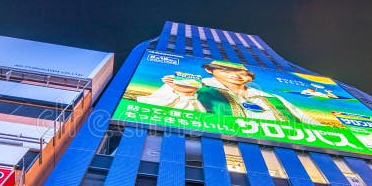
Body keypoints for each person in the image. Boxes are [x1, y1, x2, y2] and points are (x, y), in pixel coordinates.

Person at [137, 60, 319, 124]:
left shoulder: (272, 97)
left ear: (250, 76)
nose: (236, 76)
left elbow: (309, 122)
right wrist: (185, 94)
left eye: (242, 73)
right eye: (226, 71)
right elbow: (151, 112)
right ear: (210, 70)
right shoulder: (189, 86)